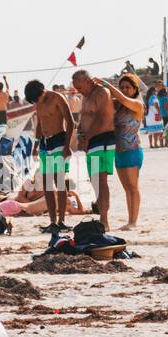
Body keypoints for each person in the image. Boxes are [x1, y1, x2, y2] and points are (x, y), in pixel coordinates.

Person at [24, 78, 75, 233]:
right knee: (46, 185)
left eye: (36, 98)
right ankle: (52, 221)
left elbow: (71, 122)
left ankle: (61, 220)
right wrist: (36, 145)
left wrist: (67, 146)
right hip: (45, 145)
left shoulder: (57, 98)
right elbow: (40, 125)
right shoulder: (38, 103)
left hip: (59, 141)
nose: (36, 102)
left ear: (42, 91)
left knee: (59, 182)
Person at [72, 69, 116, 230]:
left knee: (101, 181)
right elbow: (85, 118)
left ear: (89, 81)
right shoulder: (86, 96)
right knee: (95, 181)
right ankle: (102, 217)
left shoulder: (101, 93)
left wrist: (87, 137)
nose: (78, 91)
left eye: (80, 87)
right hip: (91, 142)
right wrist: (81, 136)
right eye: (76, 88)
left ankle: (104, 219)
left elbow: (103, 118)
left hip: (102, 140)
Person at [101, 73, 144, 230]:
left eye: (128, 87)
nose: (125, 90)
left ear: (134, 89)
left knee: (133, 187)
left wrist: (106, 84)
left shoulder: (137, 104)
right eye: (122, 87)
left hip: (132, 149)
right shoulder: (117, 105)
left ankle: (133, 221)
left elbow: (125, 100)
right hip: (118, 151)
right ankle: (130, 220)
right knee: (127, 188)